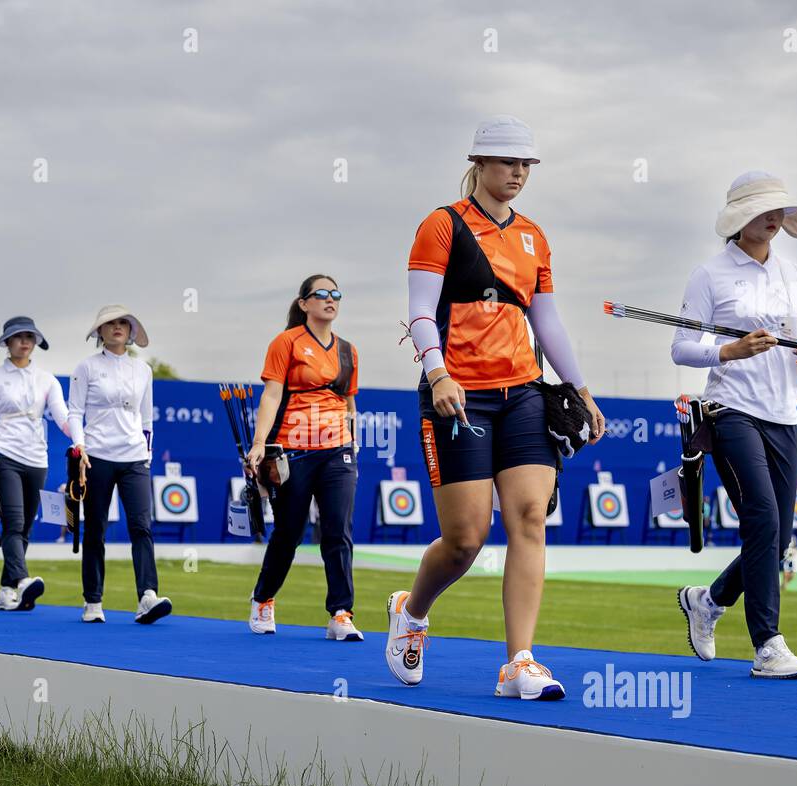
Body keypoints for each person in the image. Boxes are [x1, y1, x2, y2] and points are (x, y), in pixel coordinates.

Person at [388, 115, 606, 700]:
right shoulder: (442, 225)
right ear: (478, 164)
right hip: (457, 394)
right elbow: (417, 309)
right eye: (508, 162)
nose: (518, 173)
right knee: (465, 539)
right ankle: (412, 610)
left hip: (525, 394)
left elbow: (547, 319)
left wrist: (580, 388)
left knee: (530, 517)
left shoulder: (535, 236)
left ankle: (519, 664)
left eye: (526, 164)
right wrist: (437, 373)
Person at [674, 171, 797, 679]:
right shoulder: (709, 274)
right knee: (762, 518)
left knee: (777, 534)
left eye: (779, 210)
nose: (774, 218)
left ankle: (708, 602)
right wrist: (731, 349)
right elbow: (681, 347)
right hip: (731, 409)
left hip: (784, 414)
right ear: (740, 218)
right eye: (764, 209)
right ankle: (768, 646)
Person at [245, 275, 362, 641]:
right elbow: (272, 395)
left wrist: (352, 440)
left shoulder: (348, 350)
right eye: (322, 294)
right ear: (304, 304)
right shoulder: (286, 343)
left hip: (337, 451)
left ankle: (341, 613)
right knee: (289, 533)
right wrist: (259, 442)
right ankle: (263, 598)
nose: (330, 300)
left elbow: (349, 403)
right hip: (294, 450)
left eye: (336, 295)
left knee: (337, 531)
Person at [68, 306, 172, 624]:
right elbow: (74, 412)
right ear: (99, 332)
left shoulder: (143, 370)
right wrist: (79, 447)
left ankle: (147, 596)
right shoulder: (85, 368)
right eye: (110, 324)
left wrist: (148, 453)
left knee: (142, 527)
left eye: (123, 323)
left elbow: (146, 417)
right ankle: (93, 602)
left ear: (131, 332)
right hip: (96, 455)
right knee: (96, 528)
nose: (117, 328)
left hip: (135, 457)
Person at [0, 316, 69, 611]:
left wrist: (81, 440)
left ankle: (5, 590)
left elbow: (64, 419)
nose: (25, 342)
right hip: (5, 454)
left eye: (30, 337)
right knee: (13, 522)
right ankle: (23, 581)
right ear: (7, 343)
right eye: (18, 337)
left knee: (25, 527)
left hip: (37, 458)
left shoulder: (47, 379)